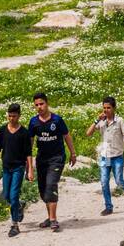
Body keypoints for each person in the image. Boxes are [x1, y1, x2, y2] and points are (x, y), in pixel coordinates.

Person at [29, 92, 76, 232]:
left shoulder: (57, 120)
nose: (39, 107)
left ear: (47, 103)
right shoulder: (33, 122)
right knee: (43, 191)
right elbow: (30, 142)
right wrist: (28, 161)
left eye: (41, 104)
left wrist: (73, 153)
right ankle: (49, 217)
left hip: (57, 158)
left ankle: (53, 220)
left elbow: (66, 136)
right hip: (41, 159)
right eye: (36, 105)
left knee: (51, 185)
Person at [86, 96, 124, 216]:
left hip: (117, 156)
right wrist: (96, 120)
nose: (106, 110)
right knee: (104, 182)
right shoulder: (101, 121)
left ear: (114, 108)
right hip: (105, 156)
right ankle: (108, 207)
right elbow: (88, 133)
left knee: (119, 181)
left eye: (108, 108)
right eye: (104, 108)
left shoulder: (120, 121)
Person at [0, 103, 31, 237]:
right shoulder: (3, 130)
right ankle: (19, 205)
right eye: (10, 116)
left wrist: (30, 170)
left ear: (19, 116)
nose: (11, 118)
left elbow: (28, 153)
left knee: (13, 195)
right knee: (6, 196)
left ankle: (14, 225)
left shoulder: (24, 132)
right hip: (6, 168)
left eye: (14, 116)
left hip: (19, 167)